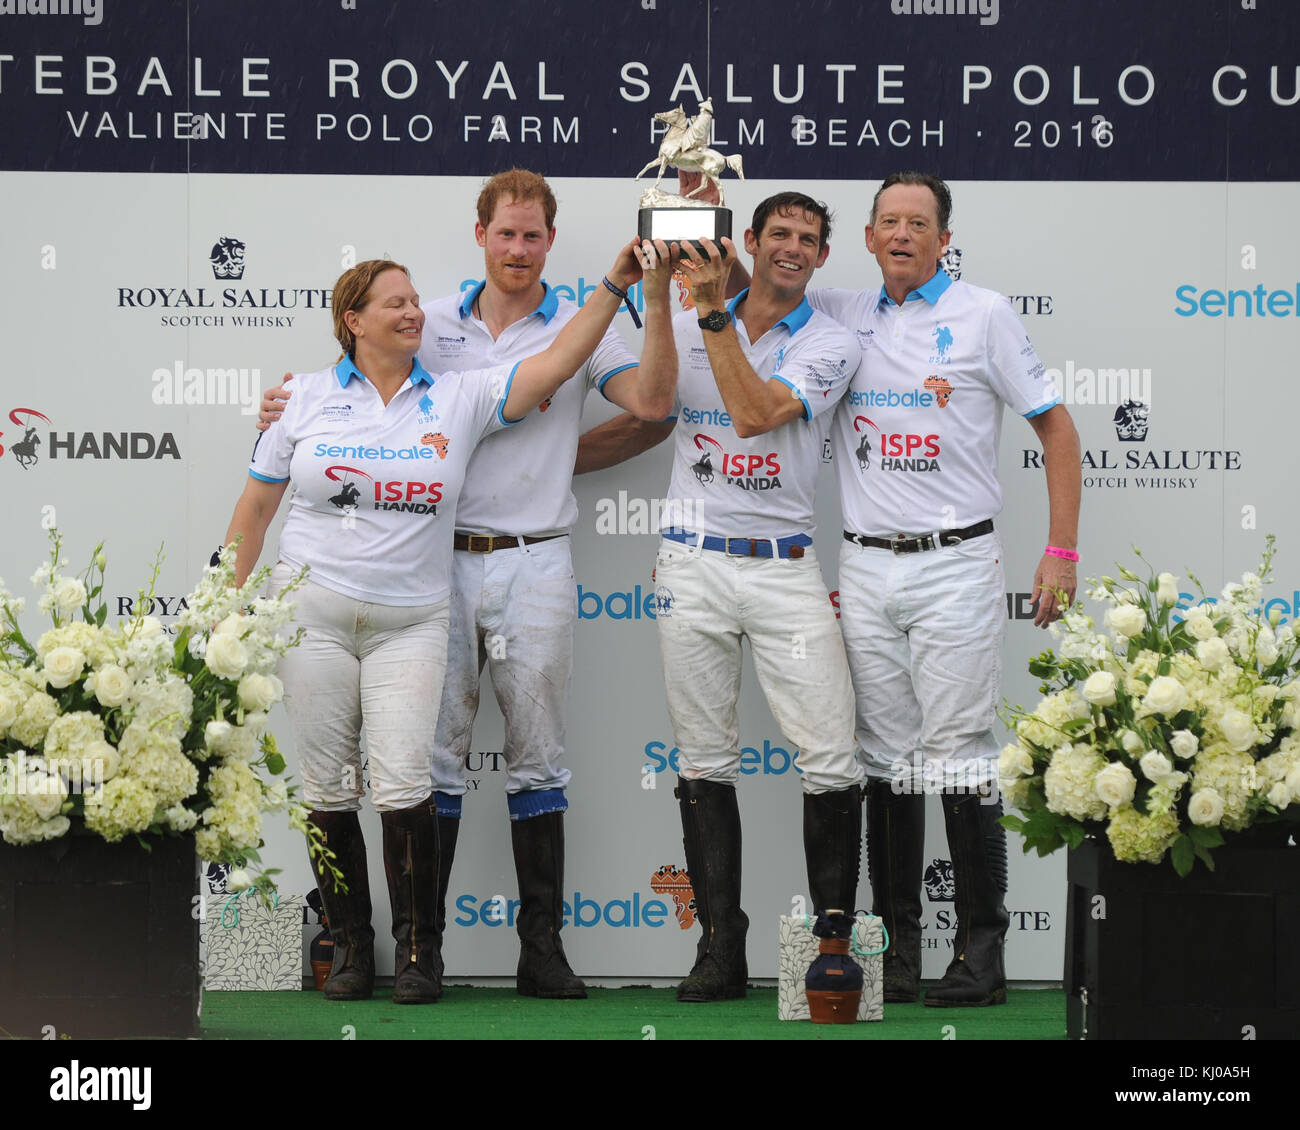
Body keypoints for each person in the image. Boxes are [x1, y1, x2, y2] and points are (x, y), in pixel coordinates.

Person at [258, 170, 677, 999]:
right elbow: (352, 394)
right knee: (427, 761)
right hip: (432, 564)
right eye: (506, 233)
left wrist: (655, 301)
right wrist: (281, 405)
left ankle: (542, 949)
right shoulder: (429, 321)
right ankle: (424, 953)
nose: (519, 250)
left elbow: (657, 404)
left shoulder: (582, 323)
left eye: (533, 236)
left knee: (538, 757)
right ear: (480, 233)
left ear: (551, 242)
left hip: (537, 558)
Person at [583, 192, 866, 1002]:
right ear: (749, 240)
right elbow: (652, 402)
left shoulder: (832, 341)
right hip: (691, 565)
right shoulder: (692, 307)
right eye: (779, 233)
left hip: (784, 568)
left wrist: (713, 315)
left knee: (831, 758)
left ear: (819, 257)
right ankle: (718, 947)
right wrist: (671, 287)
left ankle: (834, 947)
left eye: (809, 240)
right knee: (703, 759)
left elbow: (756, 414)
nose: (794, 248)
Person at [814, 171, 1081, 1007]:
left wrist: (1062, 549)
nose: (902, 234)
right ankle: (894, 955)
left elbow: (1057, 427)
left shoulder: (985, 314)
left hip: (955, 562)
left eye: (918, 223)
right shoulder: (841, 313)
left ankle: (980, 952)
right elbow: (754, 284)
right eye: (888, 221)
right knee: (885, 762)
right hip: (863, 563)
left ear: (943, 238)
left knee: (961, 756)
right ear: (866, 237)